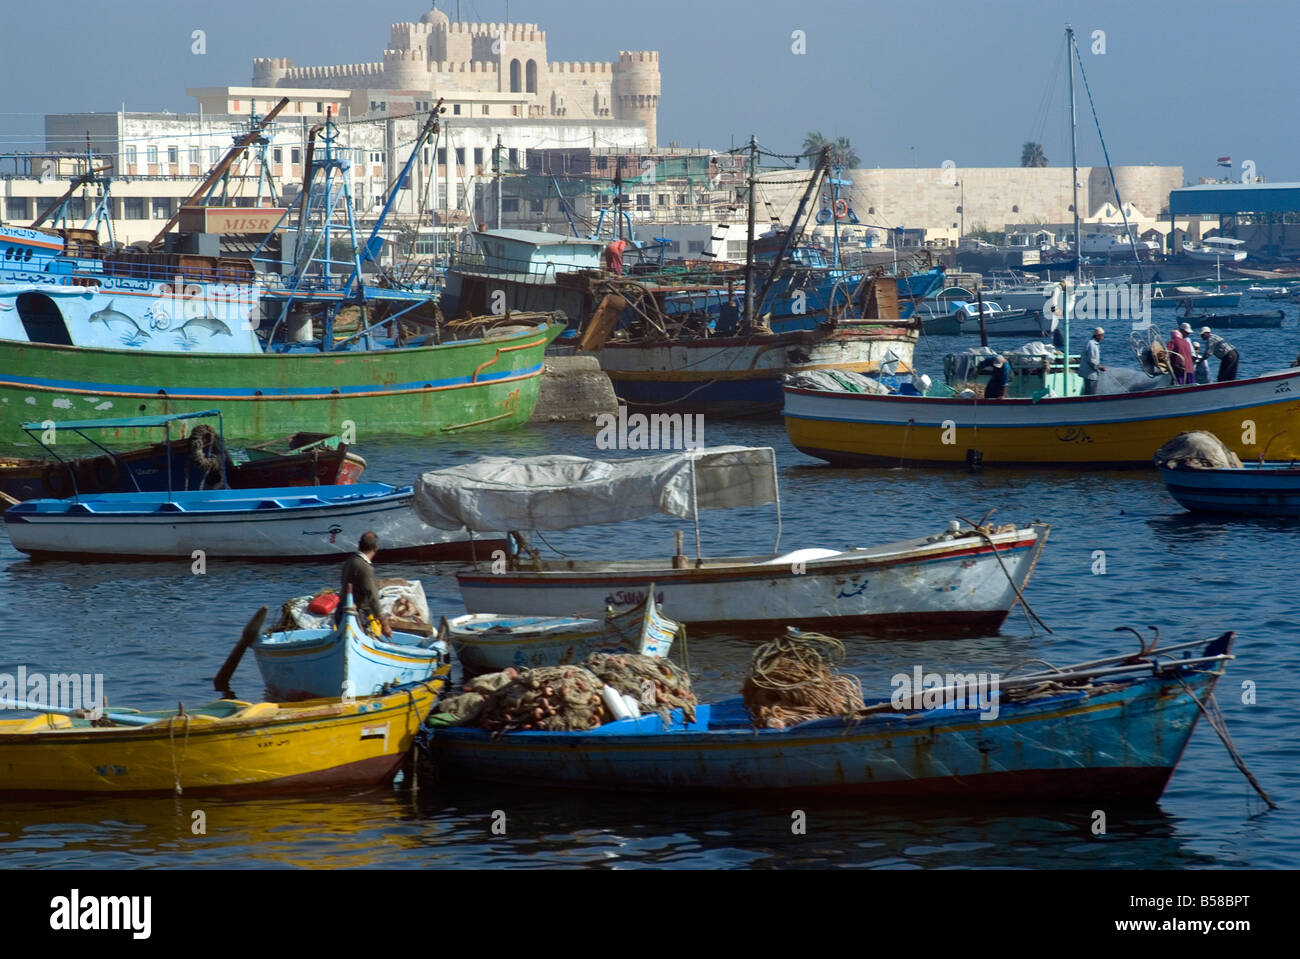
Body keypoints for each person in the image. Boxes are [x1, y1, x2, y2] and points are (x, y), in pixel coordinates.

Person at [336, 531, 392, 637]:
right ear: (375, 547)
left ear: (359, 545)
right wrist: (384, 624)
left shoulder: (351, 560)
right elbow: (373, 596)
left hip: (341, 611)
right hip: (355, 614)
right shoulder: (364, 567)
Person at [1079, 327, 1106, 395]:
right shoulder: (1092, 344)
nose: (1102, 338)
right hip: (1090, 374)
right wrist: (1100, 367)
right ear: (1097, 336)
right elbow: (1091, 360)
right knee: (1091, 393)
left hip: (1090, 373)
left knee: (1089, 392)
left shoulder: (1092, 343)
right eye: (1101, 336)